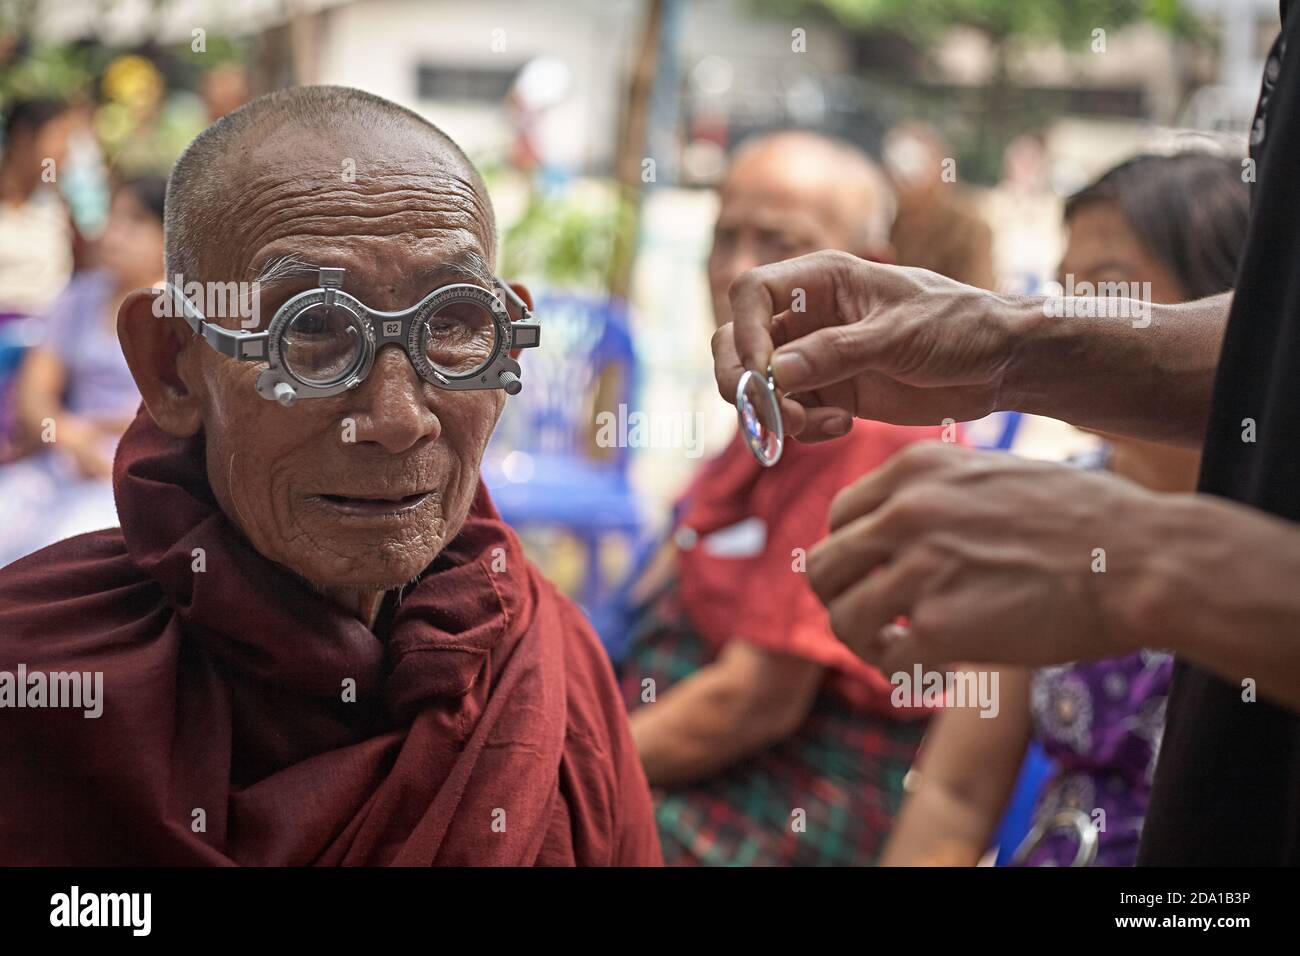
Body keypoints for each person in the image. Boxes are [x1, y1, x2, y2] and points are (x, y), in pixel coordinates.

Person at [0, 85, 661, 867]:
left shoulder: (542, 661)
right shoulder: (38, 678)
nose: (397, 419)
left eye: (450, 324)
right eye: (310, 329)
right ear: (172, 367)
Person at [712, 1, 1300, 865]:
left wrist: (1150, 563)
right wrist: (1008, 346)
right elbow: (952, 794)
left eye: (1104, 293)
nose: (736, 264)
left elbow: (756, 694)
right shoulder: (1068, 511)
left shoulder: (1075, 526)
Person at [881, 152, 1250, 867]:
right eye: (1061, 292)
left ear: (1220, 314)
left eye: (1105, 294)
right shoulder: (1052, 516)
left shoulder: (1269, 538)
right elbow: (956, 788)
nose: (1060, 325)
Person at [619, 130, 947, 865]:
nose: (738, 271)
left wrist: (567, 774)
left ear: (872, 275)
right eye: (724, 237)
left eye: (779, 242)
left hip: (800, 777)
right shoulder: (781, 398)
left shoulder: (860, 430)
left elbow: (755, 702)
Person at [0, 175, 164, 567]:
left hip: (135, 473)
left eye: (133, 221)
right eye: (111, 216)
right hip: (64, 454)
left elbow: (171, 417)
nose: (113, 233)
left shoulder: (180, 313)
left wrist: (103, 436)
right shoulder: (80, 296)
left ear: (170, 236)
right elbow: (35, 391)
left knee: (58, 554)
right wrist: (66, 433)